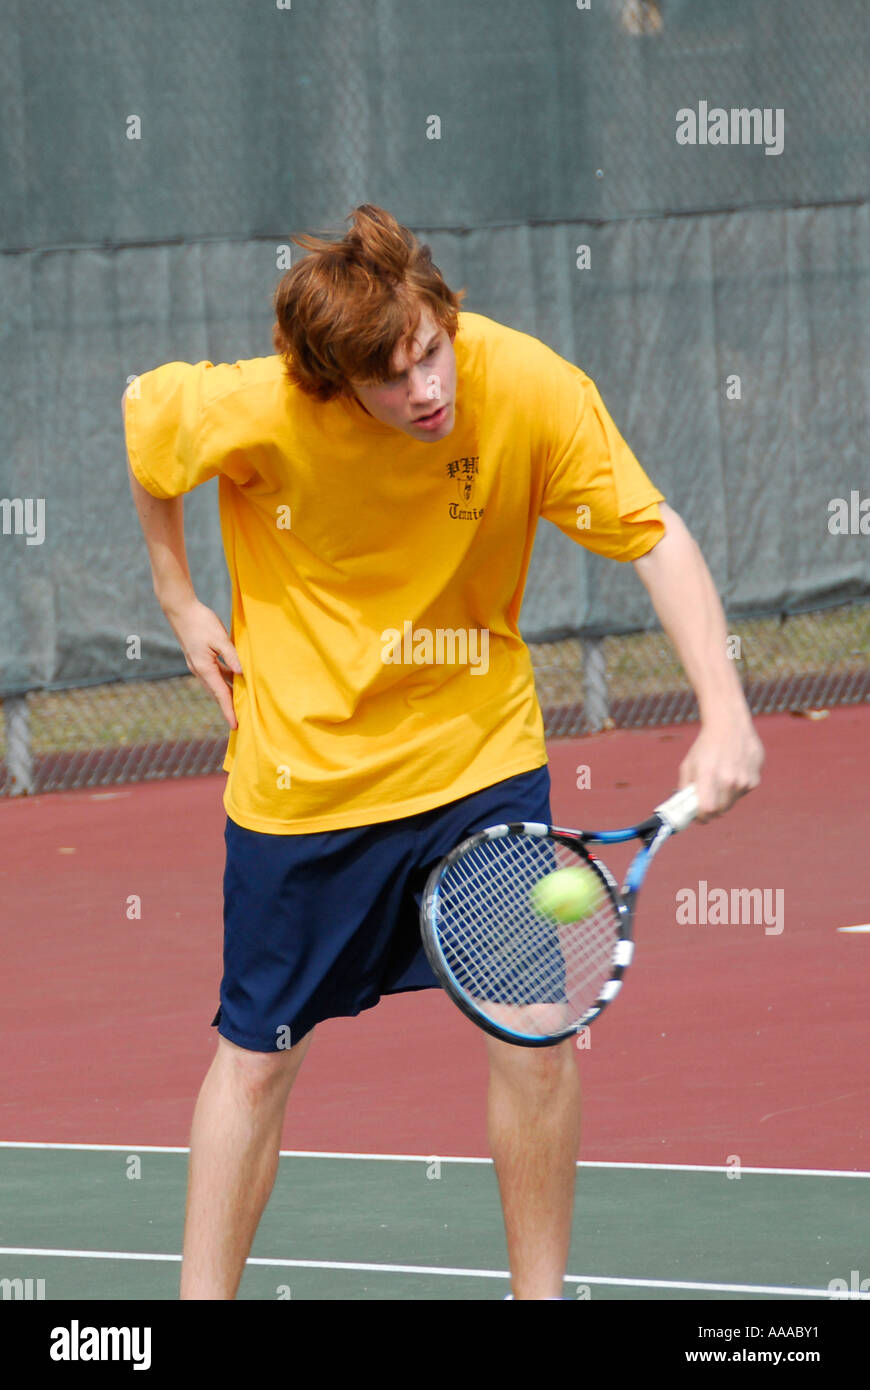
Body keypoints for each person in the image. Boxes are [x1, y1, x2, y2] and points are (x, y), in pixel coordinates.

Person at [124, 203, 763, 1301]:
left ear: (441, 312)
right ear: (331, 381)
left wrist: (726, 706)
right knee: (260, 1059)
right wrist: (177, 598)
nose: (428, 388)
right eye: (393, 378)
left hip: (478, 760)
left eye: (431, 349)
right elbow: (149, 430)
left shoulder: (523, 384)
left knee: (534, 1033)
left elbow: (652, 531)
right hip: (306, 782)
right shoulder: (257, 407)